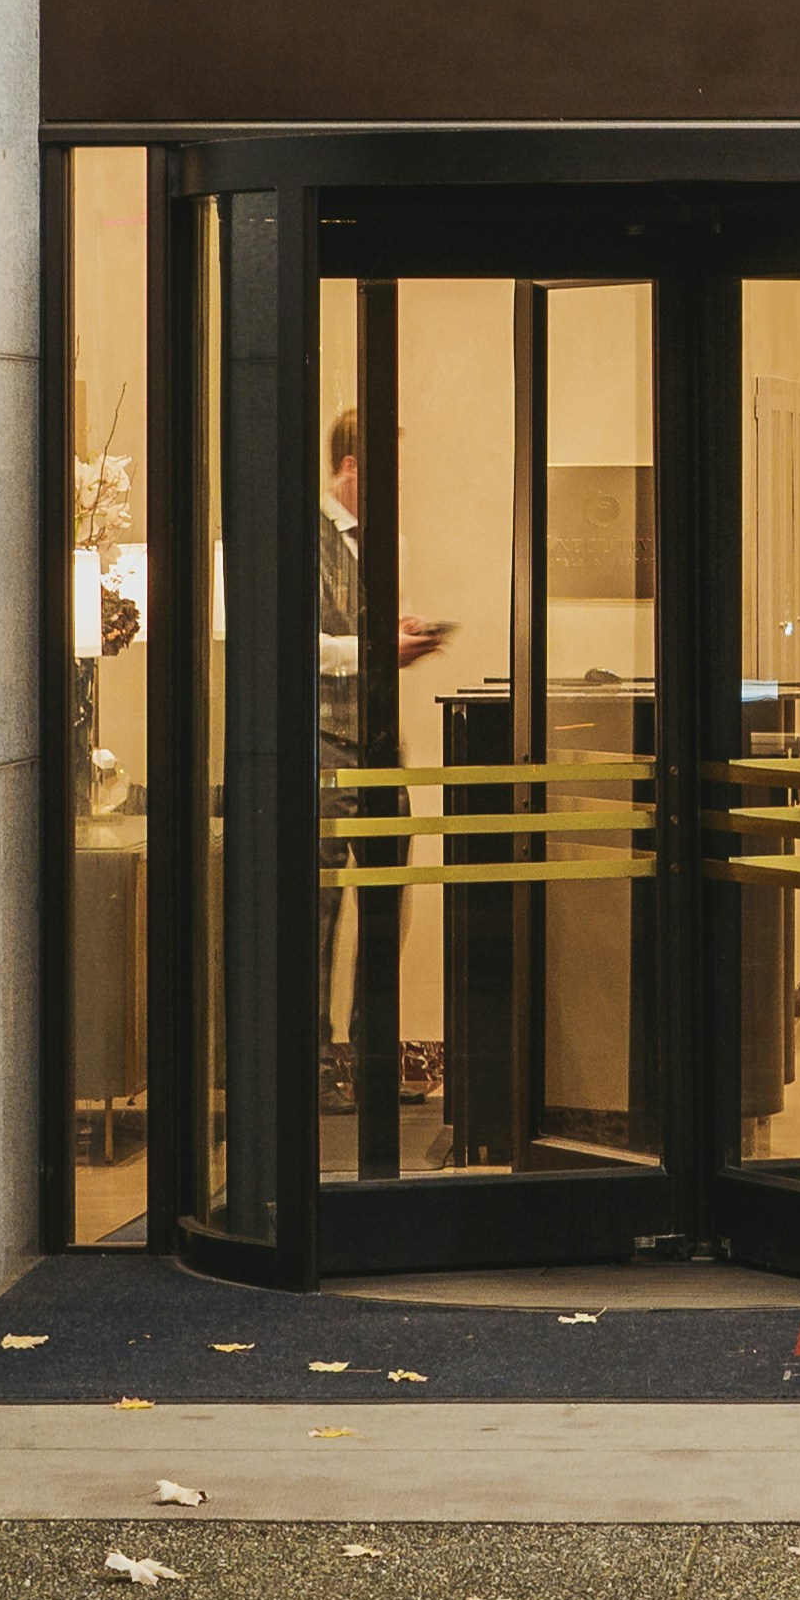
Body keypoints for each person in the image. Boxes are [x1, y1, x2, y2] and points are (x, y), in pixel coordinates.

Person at [319, 407, 445, 1152]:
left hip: (380, 744)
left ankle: (371, 1059)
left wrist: (406, 632)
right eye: (386, 468)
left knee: (387, 905)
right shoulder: (306, 535)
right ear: (351, 465)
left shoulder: (387, 540)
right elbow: (300, 642)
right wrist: (375, 648)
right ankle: (313, 1065)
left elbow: (374, 629)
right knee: (319, 909)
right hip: (323, 745)